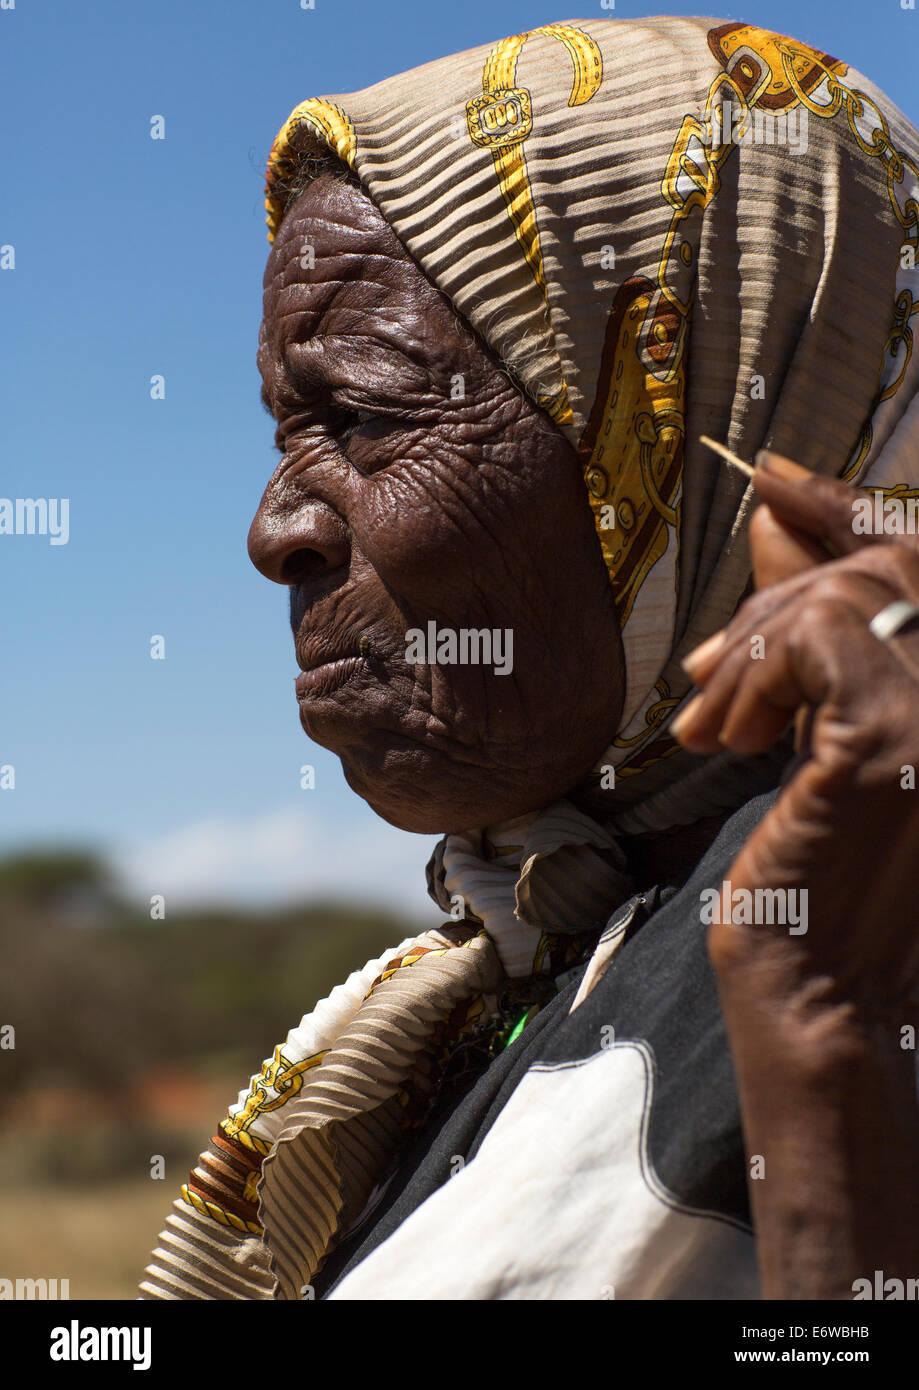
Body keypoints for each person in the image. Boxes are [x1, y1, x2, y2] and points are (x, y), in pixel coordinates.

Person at [140, 17, 919, 1300]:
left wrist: (819, 1019)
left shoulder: (849, 934)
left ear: (697, 413)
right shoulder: (522, 976)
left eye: (368, 416)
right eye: (288, 431)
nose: (275, 531)